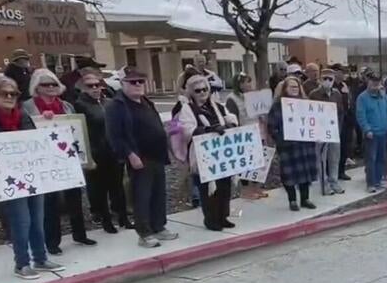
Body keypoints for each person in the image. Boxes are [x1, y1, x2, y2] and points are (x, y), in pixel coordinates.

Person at [0, 76, 65, 279]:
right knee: (21, 221)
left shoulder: (22, 115)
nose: (9, 97)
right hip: (9, 178)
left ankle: (41, 259)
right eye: (4, 93)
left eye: (13, 93)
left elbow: (33, 140)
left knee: (37, 219)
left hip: (32, 174)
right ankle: (22, 263)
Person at [22, 68, 97, 255]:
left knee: (75, 198)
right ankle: (52, 241)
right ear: (36, 87)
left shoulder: (66, 106)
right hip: (45, 161)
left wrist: (86, 156)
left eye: (53, 84)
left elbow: (77, 130)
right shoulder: (28, 106)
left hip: (68, 159)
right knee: (51, 203)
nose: (50, 87)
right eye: (45, 84)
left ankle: (80, 234)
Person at [105, 68, 179, 248]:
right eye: (133, 82)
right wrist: (130, 154)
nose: (138, 85)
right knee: (142, 196)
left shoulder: (146, 101)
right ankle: (144, 233)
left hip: (157, 156)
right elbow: (114, 136)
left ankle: (158, 226)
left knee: (158, 194)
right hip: (139, 157)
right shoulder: (116, 106)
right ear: (122, 84)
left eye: (140, 81)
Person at [175, 74, 239, 230]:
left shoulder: (217, 106)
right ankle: (211, 219)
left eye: (205, 89)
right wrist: (208, 129)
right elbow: (186, 129)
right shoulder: (187, 109)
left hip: (221, 151)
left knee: (224, 186)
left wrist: (230, 124)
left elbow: (230, 118)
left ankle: (222, 216)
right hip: (202, 153)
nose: (202, 92)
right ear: (191, 92)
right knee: (208, 189)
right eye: (198, 90)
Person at [74, 69, 132, 234]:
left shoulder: (108, 102)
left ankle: (123, 217)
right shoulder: (80, 105)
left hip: (113, 151)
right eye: (90, 86)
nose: (94, 88)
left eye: (97, 85)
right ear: (83, 88)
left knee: (118, 187)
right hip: (96, 152)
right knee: (100, 189)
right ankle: (106, 220)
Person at [267, 76, 319, 210]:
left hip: (305, 145)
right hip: (287, 146)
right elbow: (272, 126)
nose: (294, 89)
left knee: (305, 173)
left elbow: (315, 122)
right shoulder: (278, 105)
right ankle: (292, 200)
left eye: (296, 86)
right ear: (285, 89)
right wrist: (280, 139)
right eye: (291, 86)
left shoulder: (306, 104)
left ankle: (305, 199)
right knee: (289, 174)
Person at [224, 72, 270, 199]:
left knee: (259, 162)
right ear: (239, 84)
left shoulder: (254, 96)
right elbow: (232, 118)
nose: (249, 85)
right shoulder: (232, 98)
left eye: (250, 81)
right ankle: (245, 190)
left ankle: (256, 187)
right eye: (246, 82)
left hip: (258, 132)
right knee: (245, 164)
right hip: (244, 135)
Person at [310, 68, 346, 195]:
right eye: (324, 78)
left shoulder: (337, 94)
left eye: (330, 79)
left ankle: (334, 181)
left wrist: (338, 128)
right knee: (321, 159)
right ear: (320, 79)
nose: (327, 81)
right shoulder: (314, 94)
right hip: (320, 132)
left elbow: (341, 112)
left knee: (334, 158)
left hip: (334, 131)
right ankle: (324, 184)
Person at [355, 73, 387, 192]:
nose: (375, 85)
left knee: (382, 158)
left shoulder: (384, 96)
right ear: (368, 82)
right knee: (371, 159)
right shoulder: (362, 98)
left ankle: (378, 180)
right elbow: (361, 115)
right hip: (371, 133)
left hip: (383, 131)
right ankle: (370, 183)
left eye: (377, 82)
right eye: (373, 82)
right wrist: (367, 129)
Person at [333, 66, 354, 181]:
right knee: (334, 149)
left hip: (346, 120)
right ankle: (332, 173)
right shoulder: (331, 86)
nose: (340, 75)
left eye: (341, 73)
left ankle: (341, 171)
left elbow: (350, 101)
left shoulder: (345, 86)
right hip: (335, 121)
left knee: (344, 147)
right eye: (337, 73)